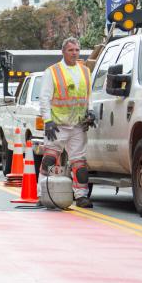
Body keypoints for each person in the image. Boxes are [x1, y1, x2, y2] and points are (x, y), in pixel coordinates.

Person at [40, 37, 95, 208]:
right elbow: (44, 98)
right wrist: (47, 120)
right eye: (71, 50)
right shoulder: (53, 71)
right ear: (63, 52)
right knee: (49, 159)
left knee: (79, 162)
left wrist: (90, 111)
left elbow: (88, 95)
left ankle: (81, 196)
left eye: (77, 50)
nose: (74, 53)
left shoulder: (85, 71)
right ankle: (42, 194)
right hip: (57, 125)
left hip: (78, 125)